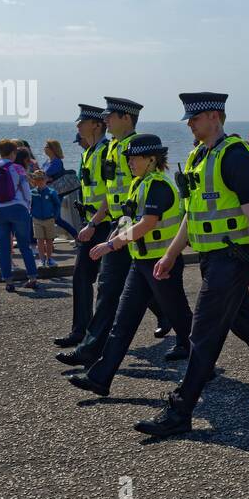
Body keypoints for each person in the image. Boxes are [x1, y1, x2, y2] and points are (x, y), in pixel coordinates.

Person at [135, 93, 249, 438]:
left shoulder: (233, 155)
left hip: (233, 259)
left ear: (214, 117)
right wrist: (170, 253)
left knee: (201, 335)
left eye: (194, 119)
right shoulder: (201, 156)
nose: (189, 124)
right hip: (212, 257)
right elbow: (192, 213)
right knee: (245, 325)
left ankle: (180, 408)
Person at [68, 134, 192, 396]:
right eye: (129, 158)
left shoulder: (158, 185)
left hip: (161, 263)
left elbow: (146, 223)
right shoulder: (139, 184)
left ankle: (201, 364)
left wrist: (110, 245)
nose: (130, 163)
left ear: (152, 159)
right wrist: (113, 239)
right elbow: (128, 219)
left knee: (180, 315)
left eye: (134, 158)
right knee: (122, 323)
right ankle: (100, 378)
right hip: (141, 264)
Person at [58, 97, 167, 366]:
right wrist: (96, 222)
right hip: (116, 224)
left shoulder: (135, 147)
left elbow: (143, 189)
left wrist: (119, 227)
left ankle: (186, 335)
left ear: (126, 118)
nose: (106, 120)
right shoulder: (111, 149)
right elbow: (110, 193)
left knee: (134, 287)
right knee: (112, 287)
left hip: (131, 225)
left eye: (111, 116)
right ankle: (92, 350)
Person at [54, 105, 112, 348]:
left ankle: (167, 314)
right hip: (92, 224)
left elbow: (113, 193)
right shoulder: (89, 152)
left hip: (106, 224)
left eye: (82, 122)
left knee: (128, 280)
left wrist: (92, 222)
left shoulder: (107, 152)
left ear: (97, 125)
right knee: (82, 277)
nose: (77, 126)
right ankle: (81, 331)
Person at [0, 138, 36, 290]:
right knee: (24, 246)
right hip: (18, 208)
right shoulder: (18, 168)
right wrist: (27, 205)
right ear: (13, 153)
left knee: (4, 247)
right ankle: (32, 278)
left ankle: (8, 281)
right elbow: (27, 192)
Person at [41, 138, 79, 239]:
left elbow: (45, 175)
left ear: (52, 149)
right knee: (54, 217)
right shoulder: (47, 162)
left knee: (55, 217)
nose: (44, 148)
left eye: (46, 147)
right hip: (49, 192)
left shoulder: (57, 162)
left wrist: (46, 177)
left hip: (57, 193)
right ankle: (75, 236)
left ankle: (76, 235)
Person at [28, 170, 61, 266]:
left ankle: (49, 258)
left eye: (42, 179)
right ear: (34, 181)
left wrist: (55, 216)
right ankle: (42, 259)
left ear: (45, 179)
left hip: (49, 219)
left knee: (49, 240)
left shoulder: (51, 192)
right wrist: (31, 214)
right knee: (39, 240)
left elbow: (57, 205)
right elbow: (29, 205)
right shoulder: (32, 193)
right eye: (37, 180)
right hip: (37, 219)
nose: (40, 182)